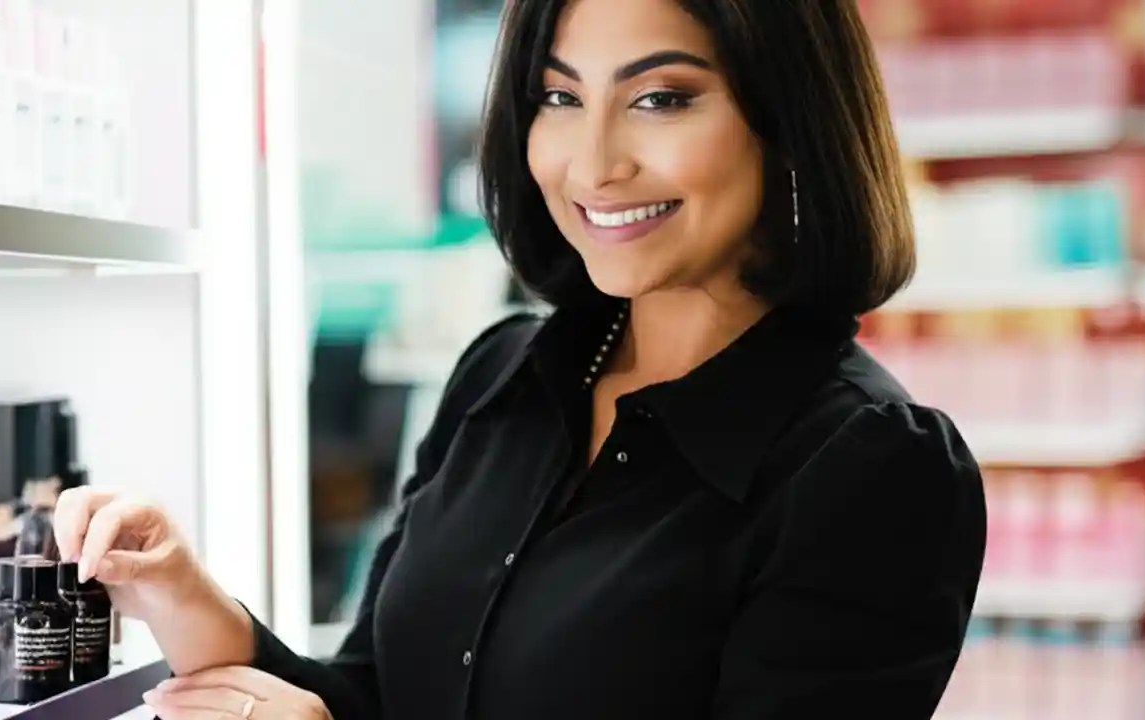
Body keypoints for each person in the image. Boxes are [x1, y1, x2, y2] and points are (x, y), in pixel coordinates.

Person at [55, 0, 987, 718]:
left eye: (660, 98)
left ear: (789, 119)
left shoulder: (874, 467)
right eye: (559, 97)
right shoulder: (504, 376)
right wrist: (179, 593)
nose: (592, 164)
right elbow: (373, 697)